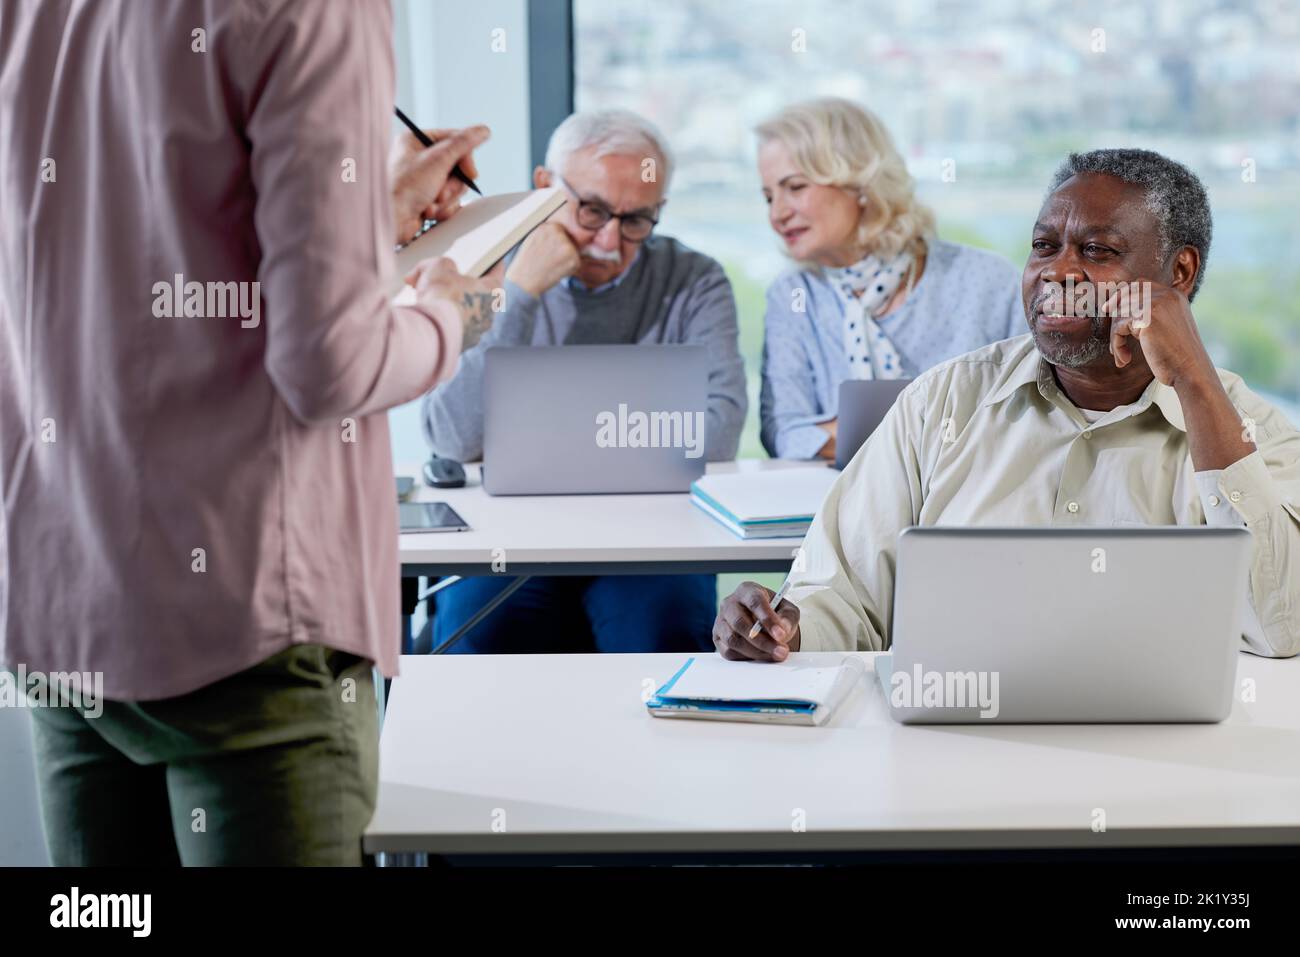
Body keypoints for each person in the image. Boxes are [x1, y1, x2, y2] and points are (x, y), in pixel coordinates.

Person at [0, 0, 496, 865]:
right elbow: (331, 367)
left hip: (64, 595)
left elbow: (122, 264)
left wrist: (357, 225)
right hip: (243, 613)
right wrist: (450, 315)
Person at [714, 148, 1300, 661]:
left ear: (1179, 272)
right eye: (1044, 246)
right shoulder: (940, 403)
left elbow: (1281, 627)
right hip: (953, 746)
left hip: (1177, 764)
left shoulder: (1257, 430)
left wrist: (1197, 384)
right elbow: (840, 597)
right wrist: (784, 628)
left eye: (1097, 250)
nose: (1058, 271)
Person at [422, 109, 747, 655]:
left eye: (637, 220)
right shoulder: (482, 268)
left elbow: (718, 434)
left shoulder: (693, 279)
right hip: (512, 535)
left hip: (652, 541)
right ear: (545, 188)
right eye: (591, 211)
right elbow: (452, 438)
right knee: (475, 640)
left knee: (665, 637)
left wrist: (538, 433)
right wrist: (519, 294)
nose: (608, 242)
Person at [756, 98, 1024, 460]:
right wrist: (938, 428)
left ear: (859, 182)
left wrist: (845, 433)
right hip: (839, 506)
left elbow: (1028, 418)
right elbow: (786, 435)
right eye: (769, 196)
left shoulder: (989, 281)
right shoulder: (792, 297)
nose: (778, 213)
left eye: (796, 187)